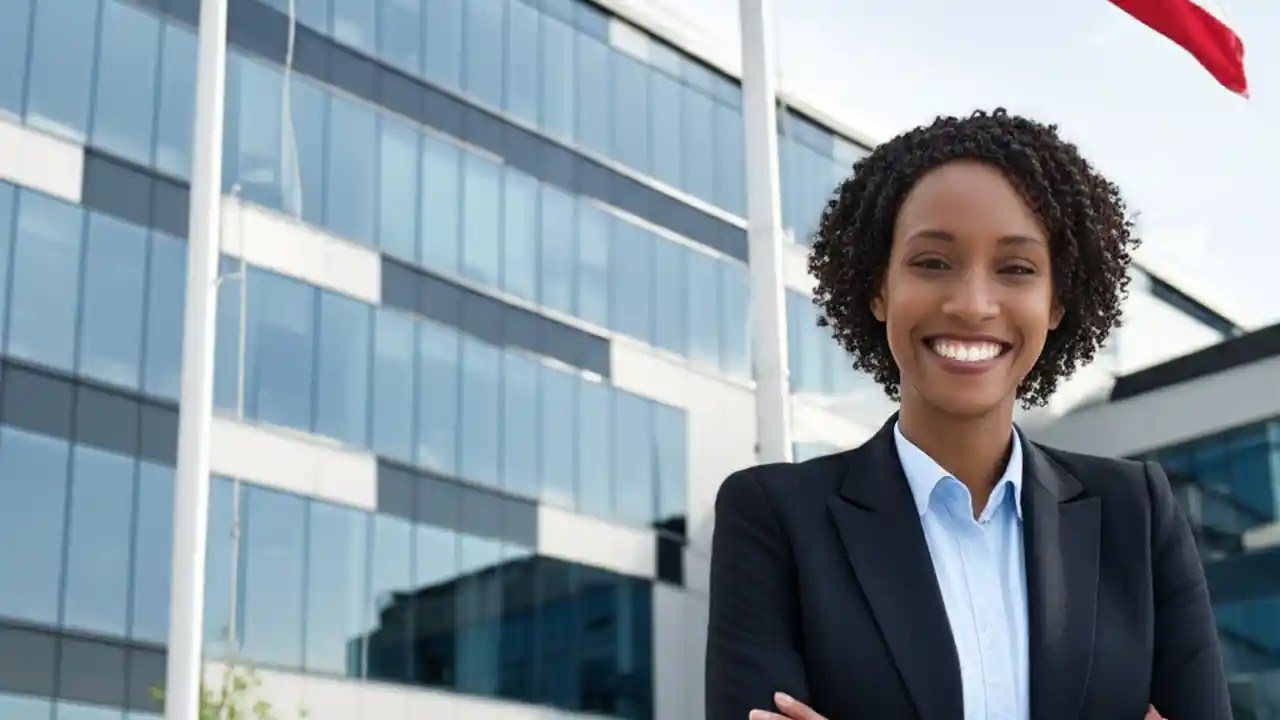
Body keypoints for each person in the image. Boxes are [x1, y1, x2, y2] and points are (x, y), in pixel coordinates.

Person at [704, 109, 1231, 720]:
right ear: (879, 288)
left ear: (1056, 302)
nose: (973, 304)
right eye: (932, 262)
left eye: (1016, 269)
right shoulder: (773, 519)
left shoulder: (1136, 515)